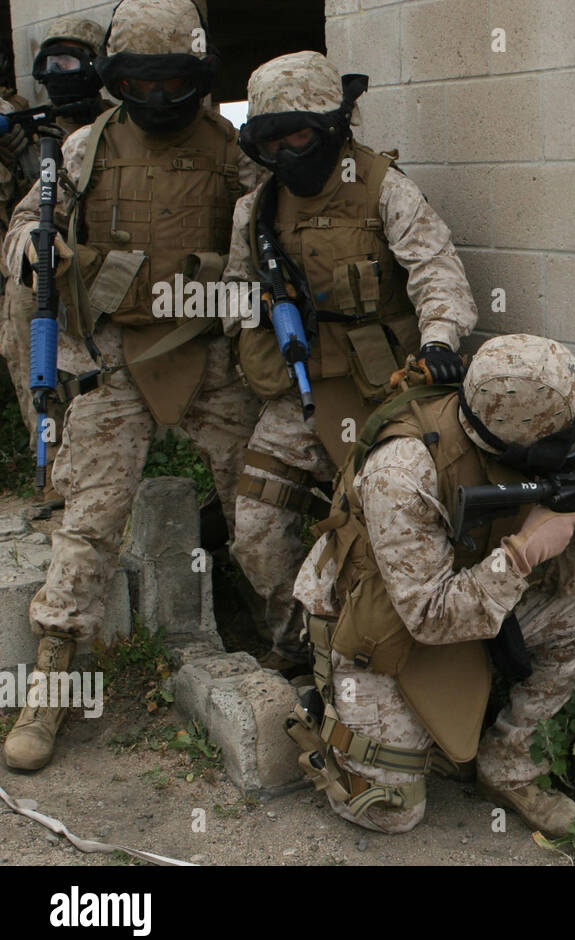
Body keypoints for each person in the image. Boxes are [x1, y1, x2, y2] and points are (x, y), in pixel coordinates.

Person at [0, 0, 262, 772]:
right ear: (117, 81)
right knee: (89, 519)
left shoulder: (232, 150)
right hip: (114, 354)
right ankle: (50, 687)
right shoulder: (85, 148)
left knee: (261, 507)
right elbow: (19, 227)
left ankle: (292, 647)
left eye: (170, 83)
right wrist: (34, 246)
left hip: (207, 349)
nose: (155, 100)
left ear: (197, 78)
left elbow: (275, 224)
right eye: (139, 84)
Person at [288, 334, 575, 836]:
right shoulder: (402, 472)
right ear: (517, 440)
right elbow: (428, 617)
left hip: (466, 583)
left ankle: (509, 767)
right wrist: (522, 554)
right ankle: (321, 711)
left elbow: (531, 498)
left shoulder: (496, 412)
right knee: (390, 809)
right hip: (377, 621)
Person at [223, 51, 478, 677]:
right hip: (300, 391)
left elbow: (436, 272)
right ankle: (297, 644)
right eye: (272, 141)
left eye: (300, 136)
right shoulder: (254, 211)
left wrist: (440, 342)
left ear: (335, 125)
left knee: (391, 532)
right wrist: (257, 308)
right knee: (255, 521)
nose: (287, 153)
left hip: (383, 392)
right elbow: (230, 289)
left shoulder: (384, 187)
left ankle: (388, 657)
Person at [0, 16, 114, 493]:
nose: (58, 70)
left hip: (106, 265)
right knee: (25, 335)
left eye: (70, 60)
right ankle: (47, 465)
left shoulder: (116, 126)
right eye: (50, 63)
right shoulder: (28, 129)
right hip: (49, 264)